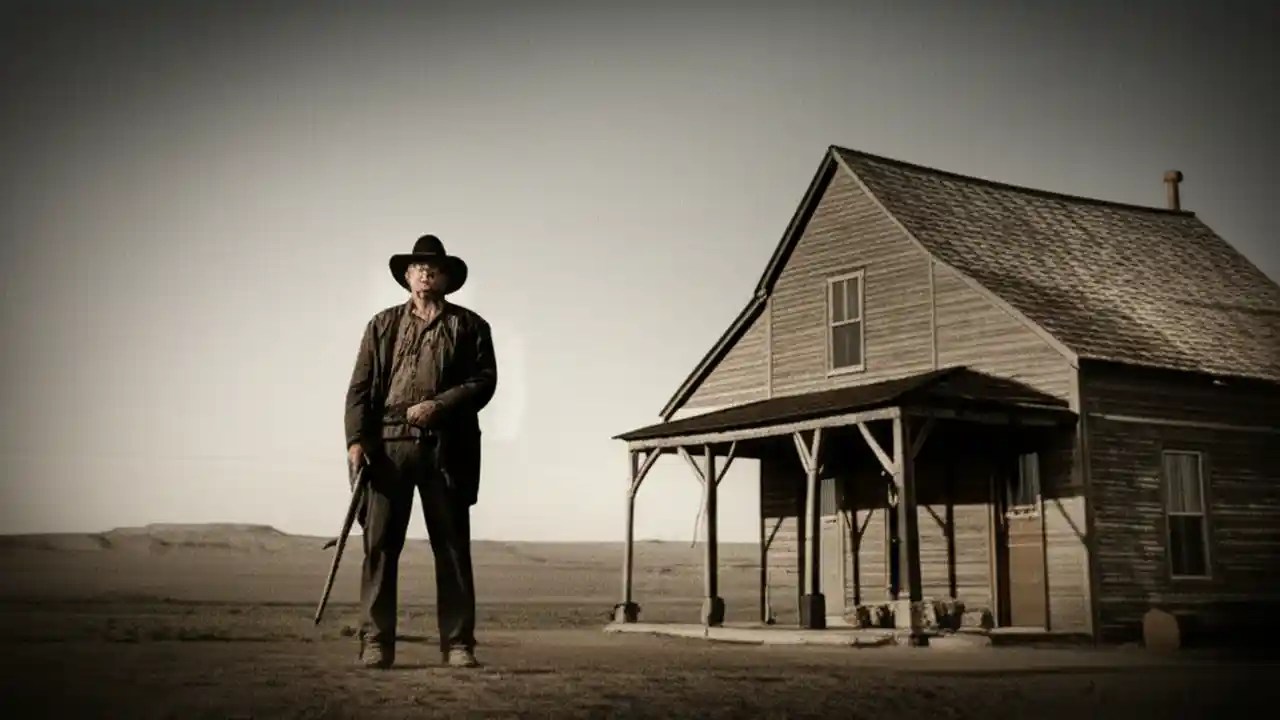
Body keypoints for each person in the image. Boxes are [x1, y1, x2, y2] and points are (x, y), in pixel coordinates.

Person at [343, 234, 497, 669]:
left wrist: (440, 405)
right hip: (388, 447)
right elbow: (359, 388)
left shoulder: (470, 327)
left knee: (450, 547)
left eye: (434, 267)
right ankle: (375, 642)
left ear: (446, 277)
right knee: (379, 548)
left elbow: (484, 381)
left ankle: (459, 644)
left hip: (446, 448)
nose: (425, 272)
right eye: (417, 266)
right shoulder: (382, 325)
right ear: (407, 276)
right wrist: (356, 440)